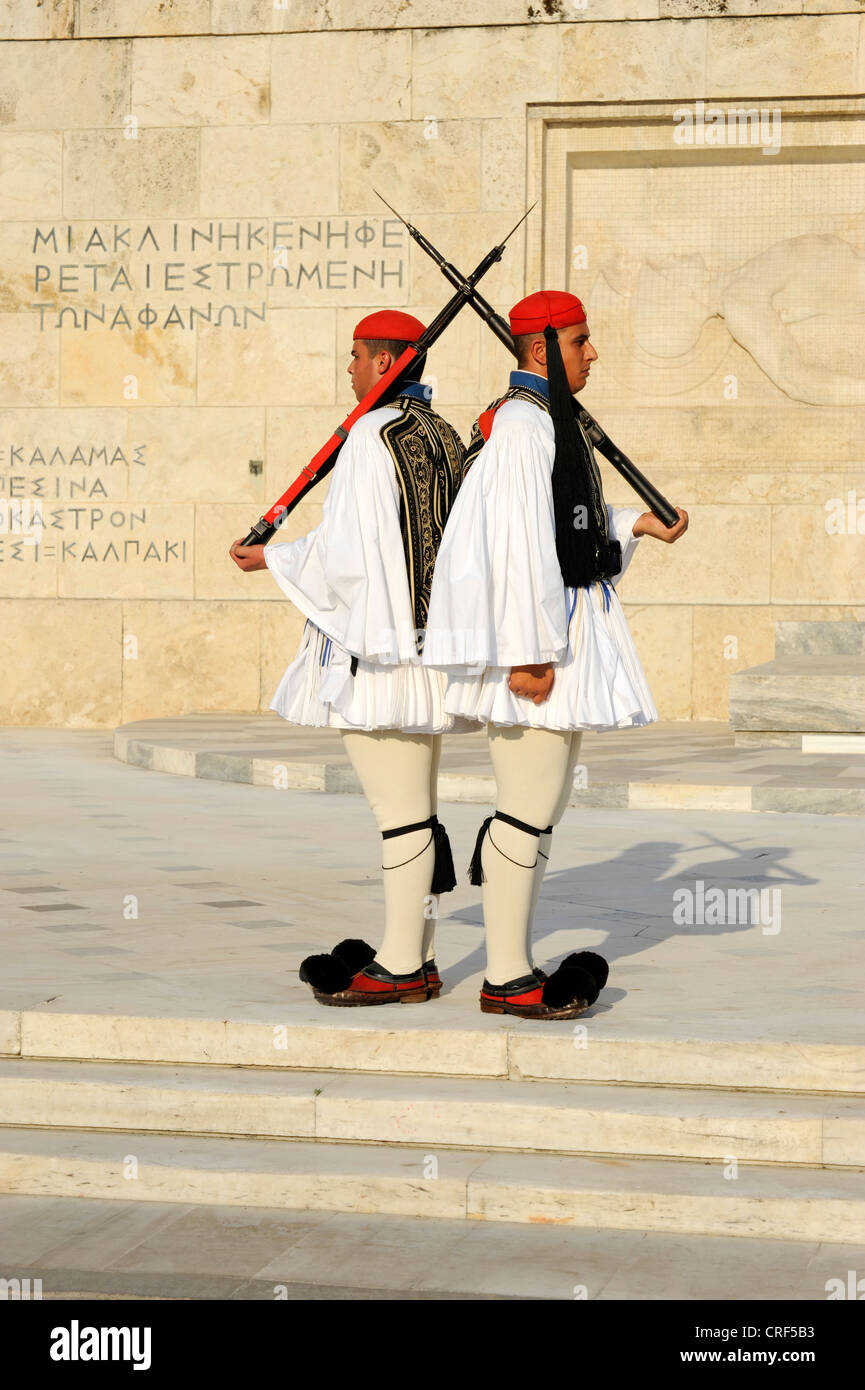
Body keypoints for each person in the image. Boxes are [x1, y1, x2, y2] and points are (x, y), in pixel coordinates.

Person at [422, 290, 689, 1019]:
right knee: (526, 805)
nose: (592, 352)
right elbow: (513, 550)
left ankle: (513, 966)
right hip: (535, 646)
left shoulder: (547, 420)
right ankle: (506, 978)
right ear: (540, 349)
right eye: (580, 340)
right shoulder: (520, 427)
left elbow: (566, 521)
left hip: (550, 637)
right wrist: (526, 653)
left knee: (539, 806)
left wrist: (634, 523)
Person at [230, 310, 466, 1006]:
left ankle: (398, 966)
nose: (349, 368)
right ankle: (415, 958)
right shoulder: (439, 432)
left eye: (357, 356)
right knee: (414, 811)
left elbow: (348, 558)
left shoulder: (370, 436)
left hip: (380, 657)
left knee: (400, 815)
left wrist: (270, 556)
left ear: (386, 362)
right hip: (428, 653)